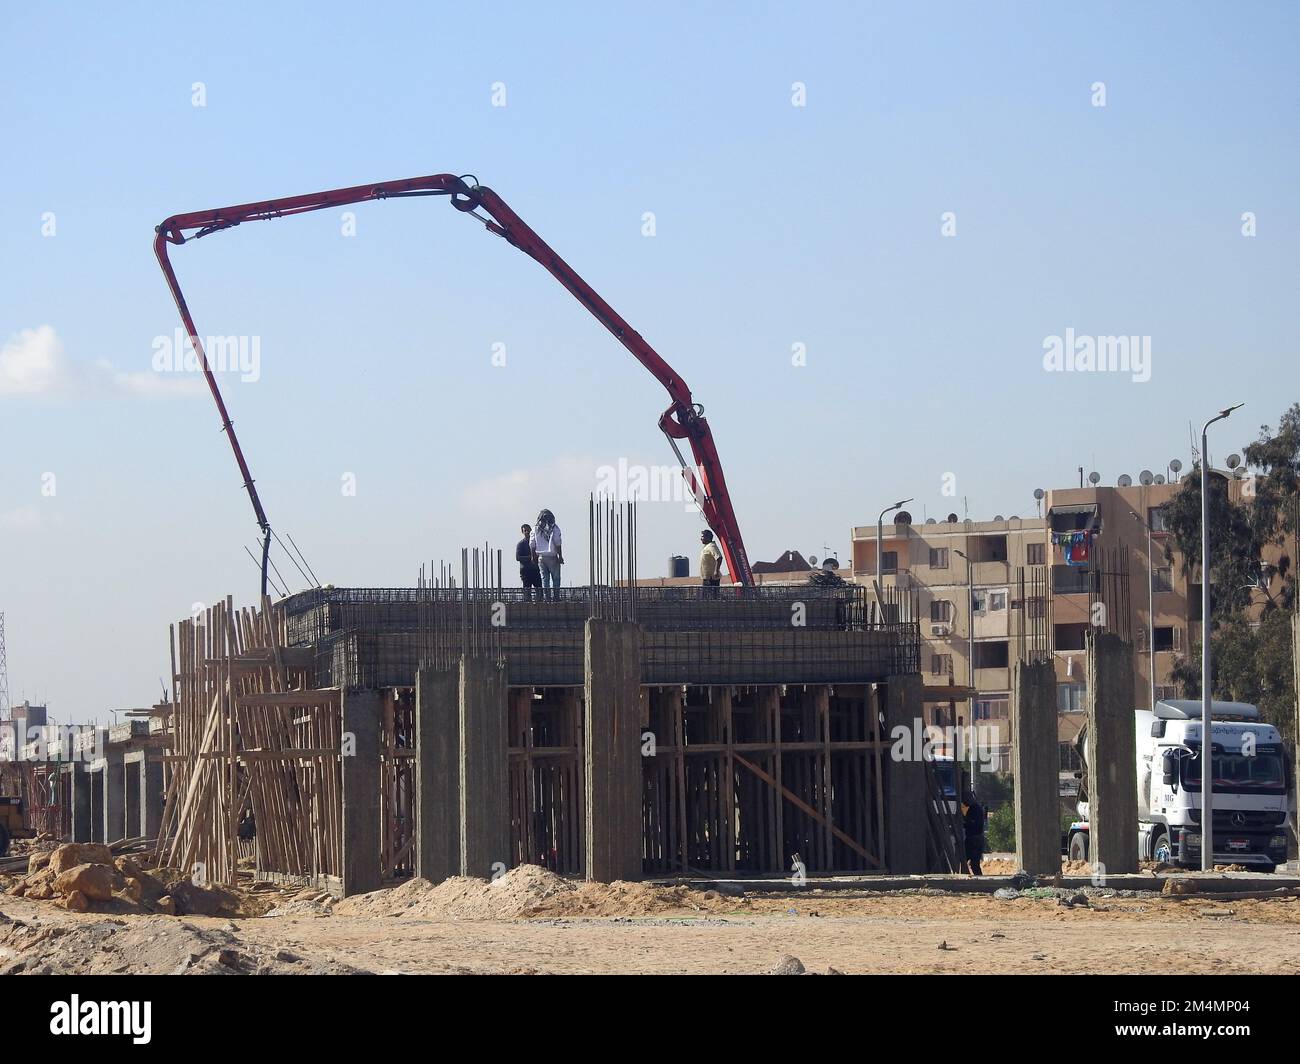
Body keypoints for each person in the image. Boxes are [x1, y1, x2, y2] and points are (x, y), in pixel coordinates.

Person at [531, 509, 563, 601]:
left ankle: (547, 598)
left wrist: (533, 556)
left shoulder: (535, 528)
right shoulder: (554, 528)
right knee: (556, 578)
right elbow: (558, 543)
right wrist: (560, 556)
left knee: (545, 579)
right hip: (552, 556)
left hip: (541, 557)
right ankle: (556, 597)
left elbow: (532, 544)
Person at [961, 789, 986, 876]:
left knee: (973, 863)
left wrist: (963, 822)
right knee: (971, 863)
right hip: (976, 839)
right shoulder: (975, 808)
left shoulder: (975, 809)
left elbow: (973, 824)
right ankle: (979, 879)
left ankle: (980, 881)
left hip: (974, 839)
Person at [516, 523, 542, 600]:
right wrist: (531, 557)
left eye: (529, 530)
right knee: (527, 592)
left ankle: (539, 606)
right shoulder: (521, 544)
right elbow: (518, 557)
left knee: (539, 591)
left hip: (535, 570)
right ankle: (528, 605)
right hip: (526, 571)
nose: (527, 532)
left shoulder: (536, 543)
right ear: (522, 532)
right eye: (525, 530)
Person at [699, 529, 723, 598]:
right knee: (705, 597)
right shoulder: (706, 547)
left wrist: (716, 570)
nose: (701, 539)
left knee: (712, 597)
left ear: (708, 537)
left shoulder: (712, 546)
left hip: (712, 578)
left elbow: (719, 558)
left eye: (702, 537)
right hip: (706, 577)